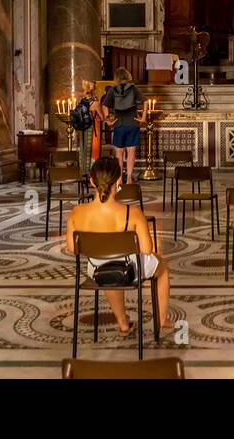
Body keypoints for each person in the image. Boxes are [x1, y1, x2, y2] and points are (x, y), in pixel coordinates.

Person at [65, 157, 170, 332]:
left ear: (91, 181)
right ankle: (161, 321)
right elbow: (146, 249)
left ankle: (123, 323)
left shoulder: (77, 213)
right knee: (162, 265)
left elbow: (71, 248)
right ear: (119, 181)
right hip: (130, 270)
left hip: (97, 270)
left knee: (108, 264)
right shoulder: (133, 213)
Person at [103, 68, 143, 184]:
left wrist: (107, 120)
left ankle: (119, 178)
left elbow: (105, 106)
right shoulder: (133, 88)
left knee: (119, 153)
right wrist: (143, 117)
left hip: (118, 123)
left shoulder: (112, 89)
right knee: (131, 152)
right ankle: (129, 177)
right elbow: (144, 101)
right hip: (132, 123)